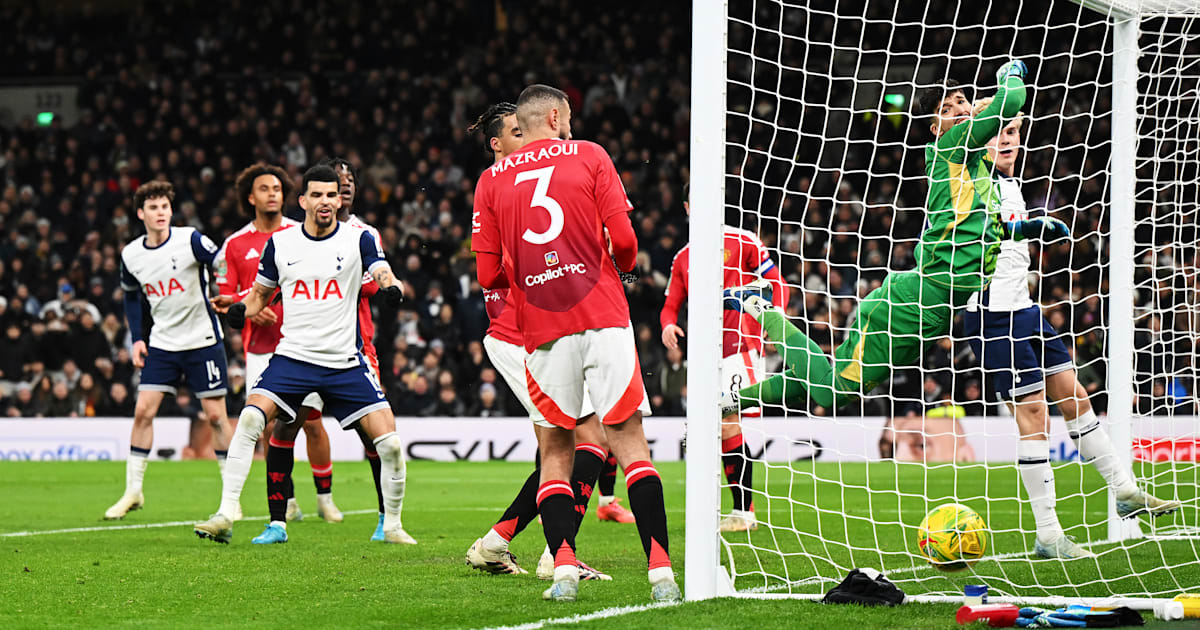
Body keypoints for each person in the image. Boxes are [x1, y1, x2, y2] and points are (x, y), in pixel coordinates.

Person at [722, 62, 1060, 417]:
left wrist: (1028, 229)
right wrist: (1012, 72)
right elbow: (1014, 98)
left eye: (962, 102)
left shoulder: (977, 173)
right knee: (833, 394)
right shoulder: (951, 146)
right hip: (916, 303)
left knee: (831, 380)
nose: (959, 110)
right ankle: (760, 307)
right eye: (946, 109)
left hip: (932, 308)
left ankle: (729, 403)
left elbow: (987, 228)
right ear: (935, 128)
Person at [472, 86, 680, 603]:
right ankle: (661, 575)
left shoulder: (492, 181)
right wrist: (621, 269)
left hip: (538, 330)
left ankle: (559, 566)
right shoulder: (588, 153)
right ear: (556, 115)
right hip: (601, 314)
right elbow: (626, 244)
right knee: (627, 444)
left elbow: (486, 272)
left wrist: (532, 275)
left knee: (557, 450)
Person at [960, 115, 1181, 558]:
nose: (1006, 140)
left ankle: (1123, 489)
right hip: (991, 314)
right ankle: (1048, 534)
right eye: (997, 134)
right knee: (1035, 412)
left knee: (1075, 395)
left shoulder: (1011, 184)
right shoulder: (971, 179)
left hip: (1023, 308)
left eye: (1013, 133)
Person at [193, 165, 413, 545]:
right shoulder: (282, 244)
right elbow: (260, 295)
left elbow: (382, 272)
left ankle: (391, 525)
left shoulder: (358, 239)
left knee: (390, 442)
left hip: (344, 361)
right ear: (304, 201)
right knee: (249, 420)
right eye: (317, 195)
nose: (326, 201)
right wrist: (239, 311)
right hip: (293, 358)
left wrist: (392, 287)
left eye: (332, 195)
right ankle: (226, 514)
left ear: (339, 199)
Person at [463, 102, 617, 582]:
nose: (526, 137)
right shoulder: (503, 189)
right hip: (521, 334)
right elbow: (493, 270)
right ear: (497, 144)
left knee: (569, 446)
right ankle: (557, 552)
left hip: (539, 331)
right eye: (515, 131)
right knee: (585, 440)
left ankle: (498, 543)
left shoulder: (517, 184)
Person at [263, 156, 405, 543]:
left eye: (346, 183)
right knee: (290, 423)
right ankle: (285, 509)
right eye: (332, 184)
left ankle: (384, 518)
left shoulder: (362, 234)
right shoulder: (298, 235)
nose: (341, 189)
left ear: (352, 191)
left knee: (372, 431)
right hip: (304, 347)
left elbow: (377, 284)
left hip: (355, 344)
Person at [215, 163, 342, 525]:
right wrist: (253, 307)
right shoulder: (235, 245)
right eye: (264, 188)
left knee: (312, 422)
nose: (272, 193)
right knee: (271, 426)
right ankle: (285, 499)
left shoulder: (301, 234)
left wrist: (274, 301)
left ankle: (325, 499)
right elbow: (226, 298)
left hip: (306, 344)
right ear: (250, 197)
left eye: (277, 188)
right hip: (260, 348)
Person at [660, 183, 788, 532]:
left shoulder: (743, 240)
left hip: (741, 346)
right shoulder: (683, 257)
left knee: (727, 424)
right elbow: (670, 306)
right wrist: (668, 326)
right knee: (710, 428)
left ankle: (743, 512)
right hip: (704, 353)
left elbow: (777, 285)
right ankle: (734, 508)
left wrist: (773, 323)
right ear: (687, 207)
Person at [106, 181, 234, 520]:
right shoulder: (131, 254)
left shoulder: (189, 239)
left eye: (164, 206)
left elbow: (220, 260)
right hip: (162, 343)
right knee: (143, 412)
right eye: (153, 207)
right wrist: (137, 338)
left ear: (171, 211)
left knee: (217, 416)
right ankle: (133, 491)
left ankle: (231, 499)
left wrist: (225, 289)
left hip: (203, 340)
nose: (160, 213)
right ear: (140, 213)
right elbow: (132, 296)